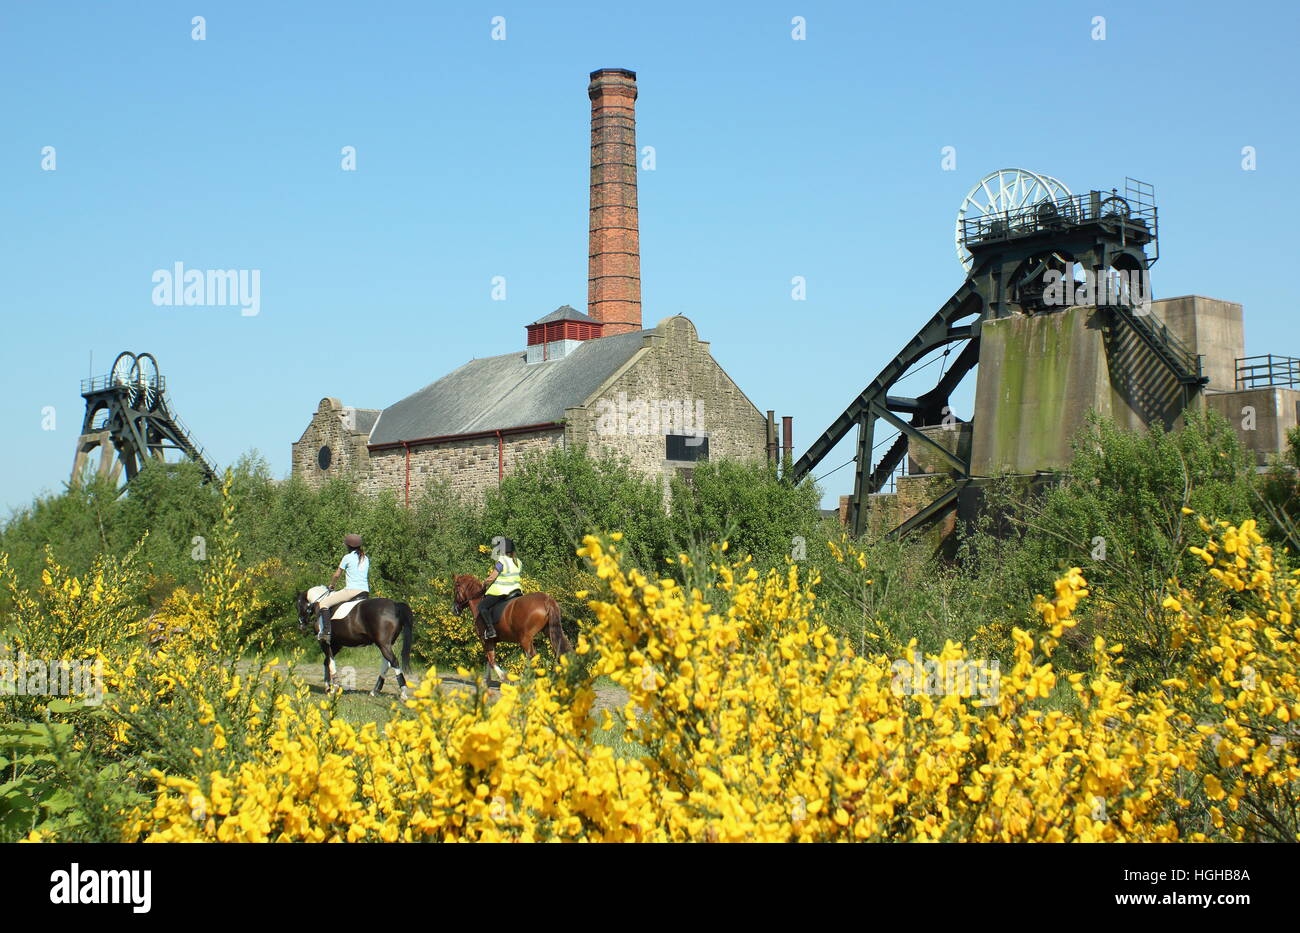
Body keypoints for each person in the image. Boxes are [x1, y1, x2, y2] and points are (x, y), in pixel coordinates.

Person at [312, 533, 370, 640]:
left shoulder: (347, 557)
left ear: (349, 546)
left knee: (324, 604)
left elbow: (337, 575)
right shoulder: (365, 558)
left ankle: (326, 631)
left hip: (352, 591)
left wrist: (332, 585)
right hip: (365, 591)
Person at [477, 538, 522, 639]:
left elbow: (493, 577)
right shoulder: (518, 562)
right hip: (516, 590)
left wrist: (484, 583)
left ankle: (491, 630)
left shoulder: (501, 561)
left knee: (482, 607)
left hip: (502, 591)